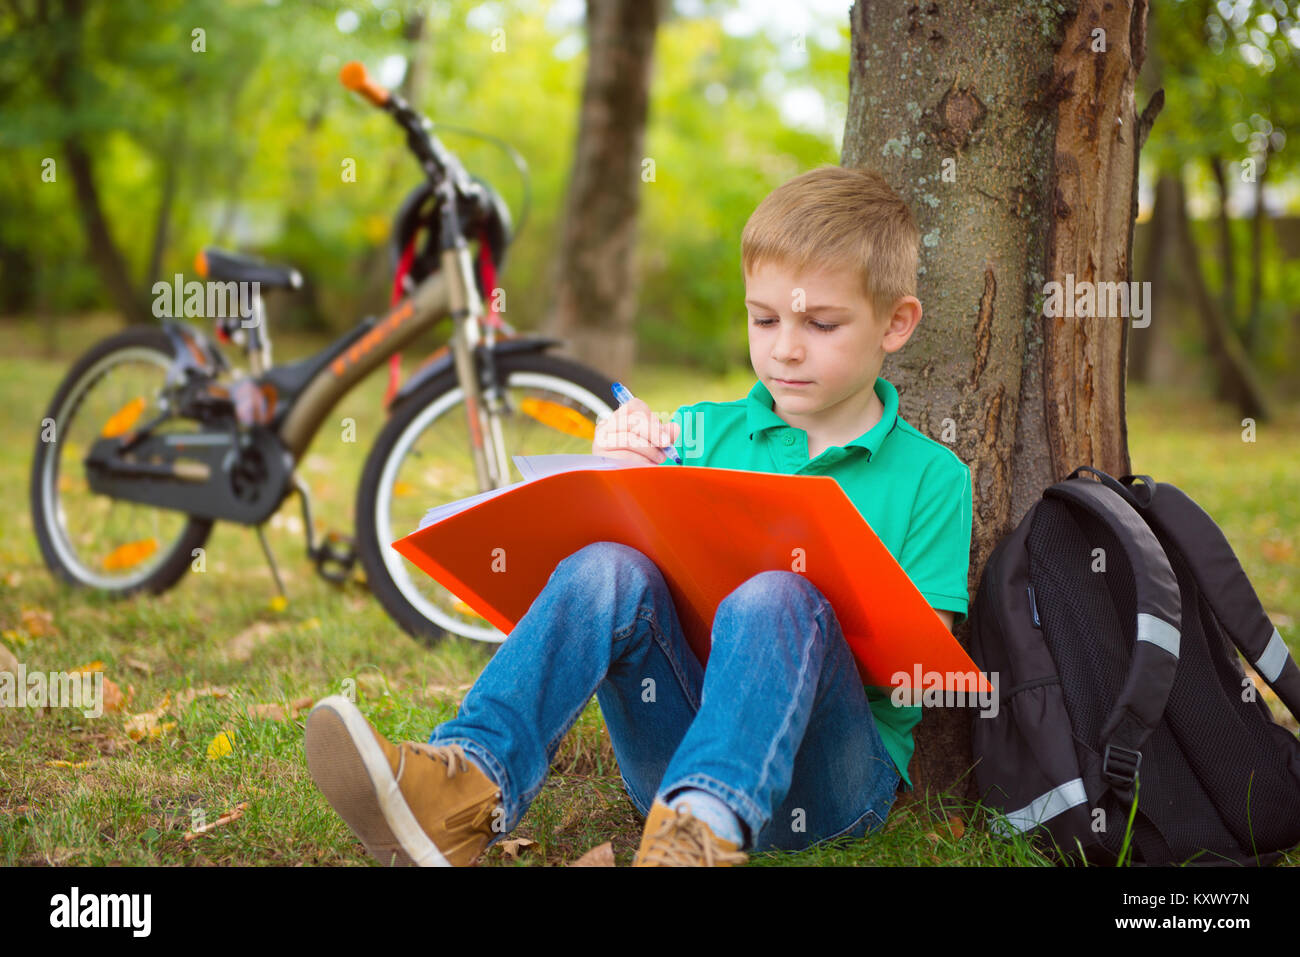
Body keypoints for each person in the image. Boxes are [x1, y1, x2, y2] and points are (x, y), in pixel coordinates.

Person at [304, 164, 973, 867]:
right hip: (671, 761)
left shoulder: (932, 476)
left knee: (778, 594)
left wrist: (799, 609)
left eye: (821, 323)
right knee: (606, 566)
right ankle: (466, 787)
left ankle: (703, 832)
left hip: (830, 785)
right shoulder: (695, 434)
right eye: (764, 318)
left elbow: (918, 672)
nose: (785, 348)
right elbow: (620, 552)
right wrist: (617, 462)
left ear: (895, 323)